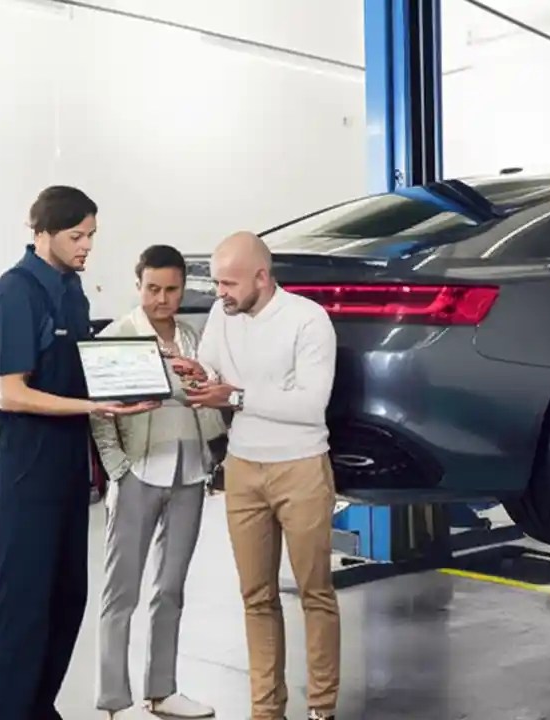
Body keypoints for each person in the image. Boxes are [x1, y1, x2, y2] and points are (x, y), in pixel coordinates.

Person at [0, 186, 160, 720]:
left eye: (91, 236)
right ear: (42, 233)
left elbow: (83, 368)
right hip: (28, 467)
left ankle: (38, 706)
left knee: (67, 596)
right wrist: (94, 406)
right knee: (24, 601)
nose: (87, 246)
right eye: (76, 236)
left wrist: (132, 380)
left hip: (67, 465)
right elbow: (12, 392)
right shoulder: (16, 291)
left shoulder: (74, 291)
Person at [172, 231, 340, 720]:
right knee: (256, 597)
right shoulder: (222, 317)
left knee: (315, 593)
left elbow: (311, 405)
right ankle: (266, 710)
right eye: (217, 283)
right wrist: (198, 373)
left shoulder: (308, 319)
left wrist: (237, 397)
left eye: (229, 283)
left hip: (301, 467)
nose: (219, 292)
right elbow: (213, 370)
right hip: (243, 470)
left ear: (262, 278)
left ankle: (322, 708)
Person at [89, 244, 229, 719]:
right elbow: (101, 415)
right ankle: (113, 701)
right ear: (138, 285)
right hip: (139, 473)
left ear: (183, 289)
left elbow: (208, 400)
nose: (162, 298)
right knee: (121, 593)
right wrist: (118, 470)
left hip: (189, 473)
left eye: (171, 290)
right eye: (153, 289)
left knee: (171, 588)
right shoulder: (117, 336)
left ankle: (163, 691)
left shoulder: (192, 337)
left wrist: (212, 456)